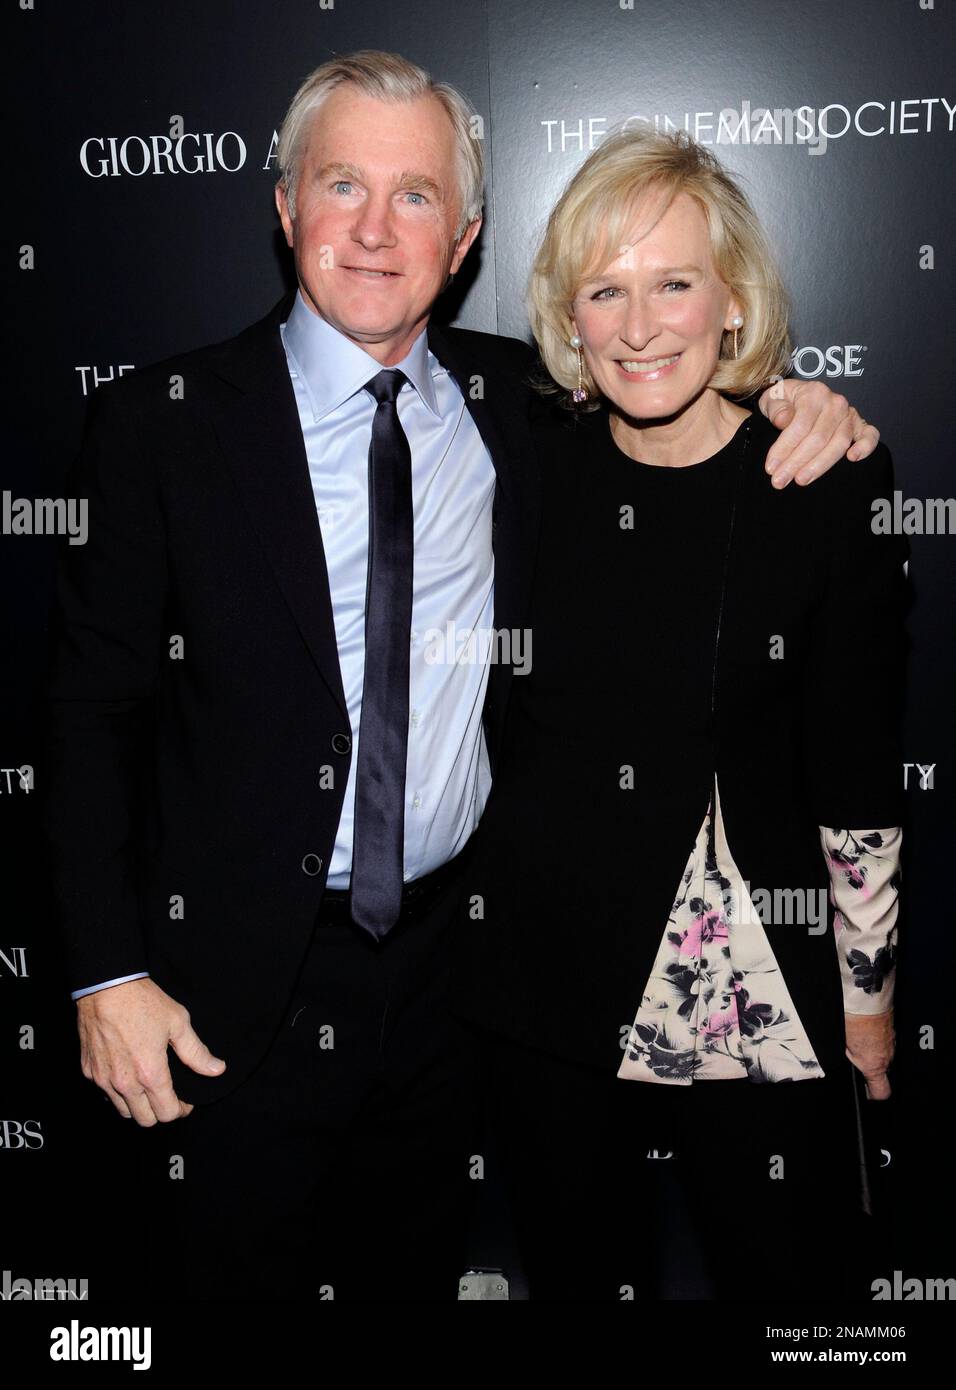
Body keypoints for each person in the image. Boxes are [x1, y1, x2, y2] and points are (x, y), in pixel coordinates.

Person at [42, 51, 880, 1302]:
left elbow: (673, 399)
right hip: (217, 994)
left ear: (467, 233)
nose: (376, 231)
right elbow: (86, 714)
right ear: (283, 209)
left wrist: (812, 409)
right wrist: (105, 972)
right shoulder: (163, 423)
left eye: (416, 197)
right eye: (341, 186)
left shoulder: (516, 407)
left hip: (450, 989)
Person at [448, 126, 908, 1301]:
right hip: (546, 987)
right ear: (569, 314)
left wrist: (864, 1003)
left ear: (733, 301)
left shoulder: (823, 478)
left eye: (673, 283)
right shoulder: (519, 450)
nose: (640, 326)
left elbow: (855, 767)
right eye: (605, 290)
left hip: (746, 984)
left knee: (795, 1295)